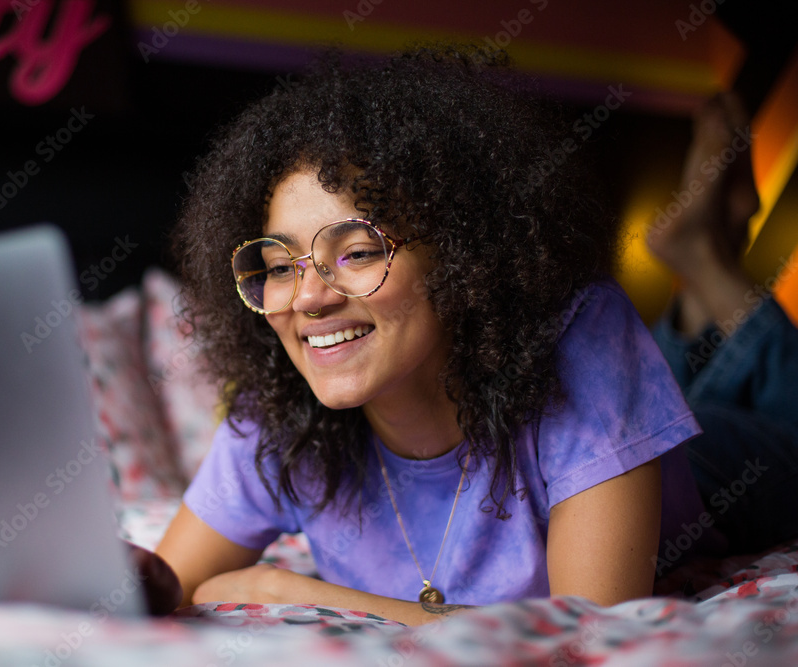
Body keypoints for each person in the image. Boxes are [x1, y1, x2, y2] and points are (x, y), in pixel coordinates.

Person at [156, 45, 709, 625]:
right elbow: (159, 589)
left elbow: (593, 635)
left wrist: (287, 593)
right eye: (277, 266)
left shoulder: (581, 337)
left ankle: (704, 264)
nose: (309, 298)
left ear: (462, 255)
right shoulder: (278, 414)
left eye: (358, 252)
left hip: (734, 462)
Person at [647, 92, 798, 556]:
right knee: (675, 423)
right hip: (673, 458)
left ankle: (707, 260)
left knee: (665, 422)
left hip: (650, 452)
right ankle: (709, 259)